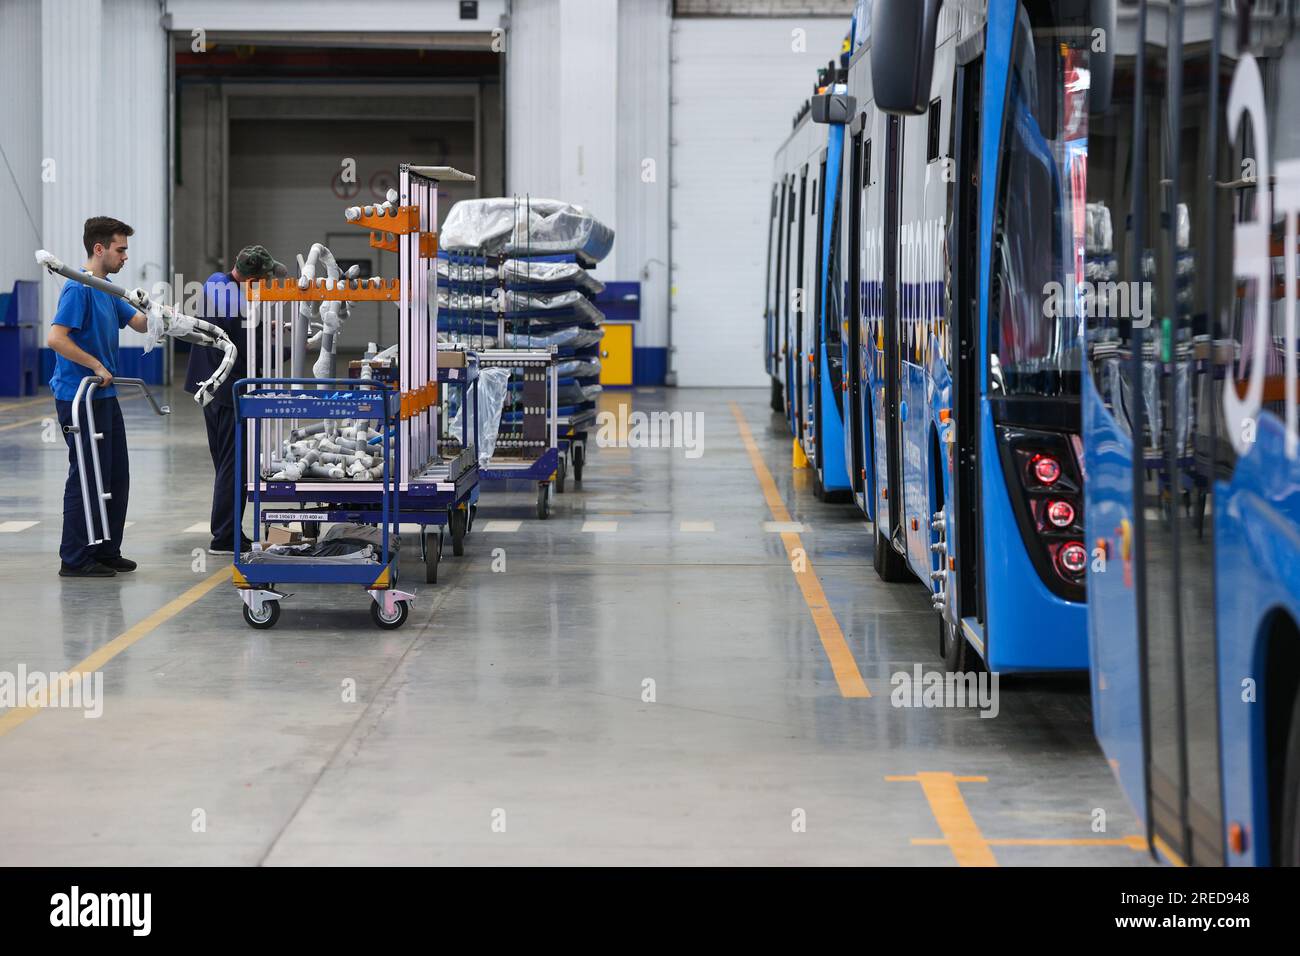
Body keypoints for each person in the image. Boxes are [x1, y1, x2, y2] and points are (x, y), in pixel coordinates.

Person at [48, 217, 151, 577]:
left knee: (115, 475)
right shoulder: (80, 287)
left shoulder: (107, 288)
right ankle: (74, 558)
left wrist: (161, 317)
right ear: (99, 249)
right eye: (120, 249)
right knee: (87, 475)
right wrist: (95, 364)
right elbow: (57, 338)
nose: (125, 256)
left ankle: (106, 549)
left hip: (103, 396)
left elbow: (137, 322)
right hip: (80, 396)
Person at [185, 245, 286, 555]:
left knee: (225, 463)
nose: (267, 285)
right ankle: (225, 537)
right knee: (235, 464)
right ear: (251, 279)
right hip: (230, 391)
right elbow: (252, 352)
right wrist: (287, 345)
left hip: (209, 387)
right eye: (265, 280)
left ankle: (226, 528)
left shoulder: (217, 283)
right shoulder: (241, 309)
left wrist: (259, 327)